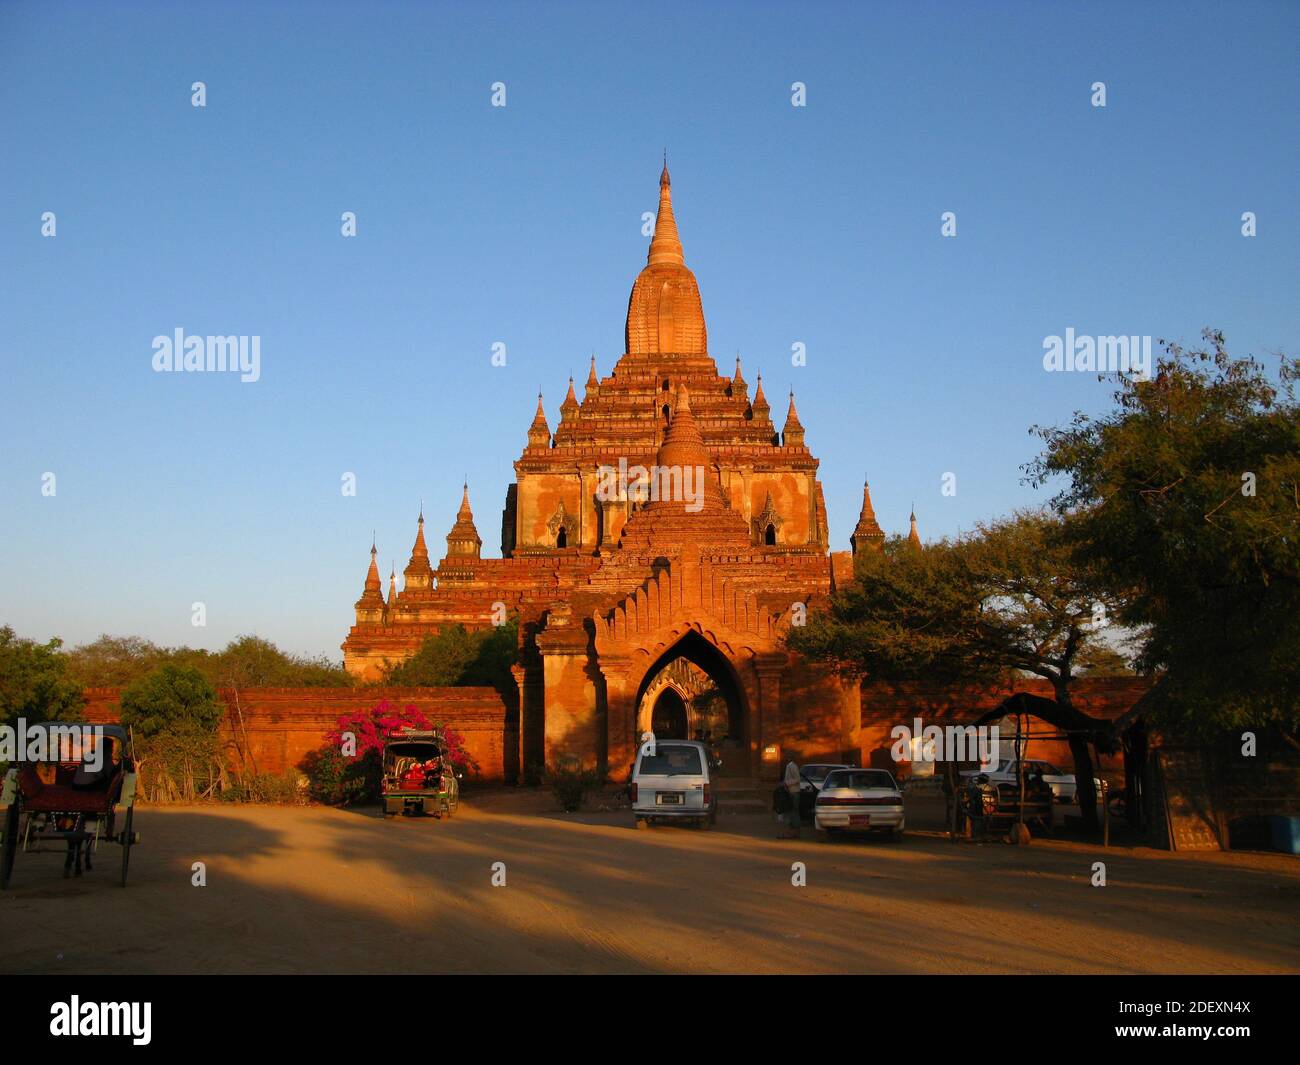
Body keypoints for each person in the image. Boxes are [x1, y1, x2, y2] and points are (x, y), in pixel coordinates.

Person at [782, 759, 803, 838]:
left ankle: (793, 832)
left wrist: (786, 783)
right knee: (792, 812)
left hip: (793, 792)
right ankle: (793, 832)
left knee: (793, 812)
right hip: (791, 791)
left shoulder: (792, 766)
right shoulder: (789, 766)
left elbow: (797, 779)